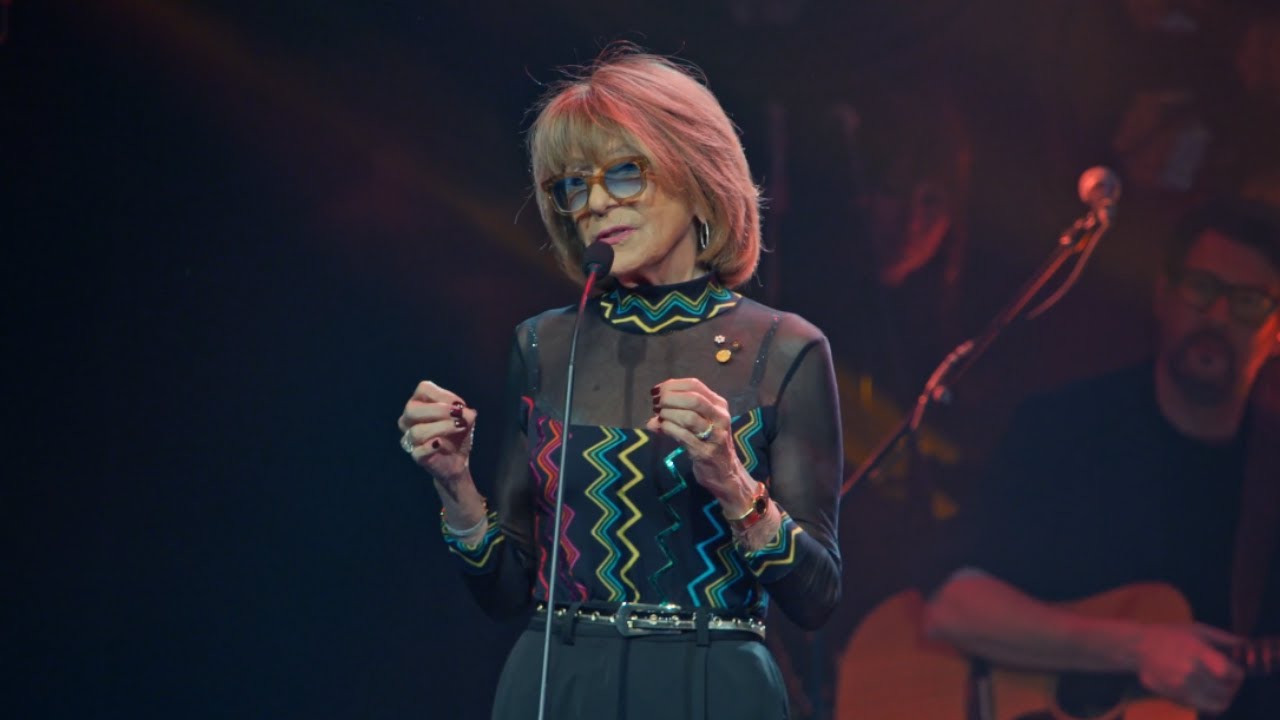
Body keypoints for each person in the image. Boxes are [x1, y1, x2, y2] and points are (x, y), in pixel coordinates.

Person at [397, 47, 843, 720]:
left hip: (713, 686)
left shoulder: (786, 349)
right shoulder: (544, 345)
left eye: (624, 174)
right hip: (560, 680)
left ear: (696, 174)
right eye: (573, 186)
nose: (595, 202)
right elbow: (506, 592)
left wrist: (730, 480)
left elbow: (815, 599)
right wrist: (454, 485)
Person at [923, 197, 1280, 718]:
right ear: (1163, 294)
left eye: (1248, 302)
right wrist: (1137, 647)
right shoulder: (1064, 427)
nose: (1219, 315)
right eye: (1202, 288)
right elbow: (952, 609)